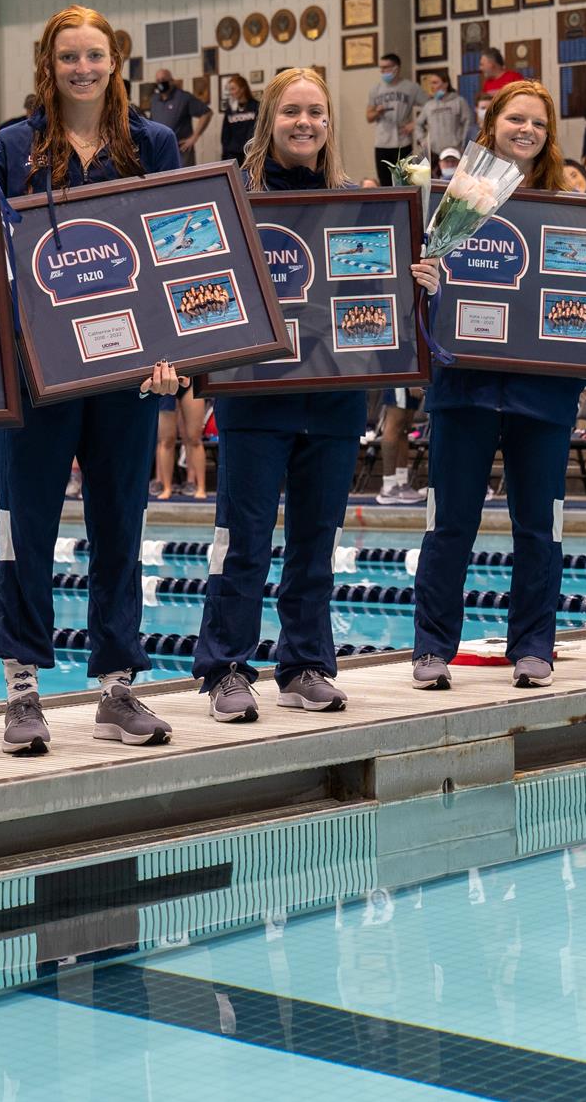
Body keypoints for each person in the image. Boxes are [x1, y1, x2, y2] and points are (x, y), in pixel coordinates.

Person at [0, 5, 183, 753]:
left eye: (95, 55)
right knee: (24, 522)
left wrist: (170, 354)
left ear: (114, 62)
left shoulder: (150, 143)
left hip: (126, 370)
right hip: (39, 367)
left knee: (120, 522)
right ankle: (23, 688)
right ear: (48, 63)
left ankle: (117, 687)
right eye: (69, 56)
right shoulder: (13, 145)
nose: (83, 68)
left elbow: (173, 247)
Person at [407, 81, 586, 689]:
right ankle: (433, 648)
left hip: (542, 395)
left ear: (549, 133)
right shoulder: (454, 201)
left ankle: (533, 645)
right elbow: (417, 287)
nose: (527, 130)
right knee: (448, 523)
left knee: (538, 529)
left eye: (538, 123)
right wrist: (428, 283)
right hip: (466, 386)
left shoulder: (570, 207)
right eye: (516, 119)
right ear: (492, 125)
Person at [193, 68, 360, 723]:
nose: (305, 123)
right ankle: (227, 667)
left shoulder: (355, 201)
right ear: (269, 120)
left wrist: (411, 275)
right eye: (291, 111)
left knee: (317, 539)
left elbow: (368, 296)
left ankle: (305, 663)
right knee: (244, 539)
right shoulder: (234, 200)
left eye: (316, 111)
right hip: (254, 397)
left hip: (334, 395)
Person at [365, 53, 426, 179]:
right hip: (382, 143)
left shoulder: (411, 87)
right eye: (381, 68)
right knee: (385, 184)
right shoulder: (376, 89)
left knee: (404, 181)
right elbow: (369, 117)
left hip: (402, 142)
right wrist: (378, 112)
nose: (382, 71)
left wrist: (415, 124)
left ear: (396, 68)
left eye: (386, 67)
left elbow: (429, 106)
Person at [153, 384, 208, 499]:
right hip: (166, 381)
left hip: (190, 380)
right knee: (166, 440)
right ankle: (167, 487)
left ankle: (201, 487)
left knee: (194, 438)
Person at [147, 68, 210, 163]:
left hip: (181, 151)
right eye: (158, 81)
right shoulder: (154, 100)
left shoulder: (183, 97)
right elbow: (151, 124)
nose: (161, 83)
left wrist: (194, 137)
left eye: (163, 80)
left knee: (185, 178)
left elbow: (206, 113)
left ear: (171, 81)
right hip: (160, 152)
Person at [413, 70, 471, 162]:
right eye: (431, 83)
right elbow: (418, 124)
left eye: (435, 83)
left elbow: (468, 124)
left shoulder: (459, 101)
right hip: (434, 152)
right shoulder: (429, 105)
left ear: (445, 84)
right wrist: (423, 141)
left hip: (455, 151)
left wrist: (463, 144)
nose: (432, 86)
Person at [219, 75, 259, 165]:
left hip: (251, 153)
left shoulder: (256, 106)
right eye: (229, 90)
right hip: (233, 154)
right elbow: (225, 134)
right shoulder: (230, 110)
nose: (231, 92)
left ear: (242, 89)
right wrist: (225, 155)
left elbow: (260, 130)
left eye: (233, 89)